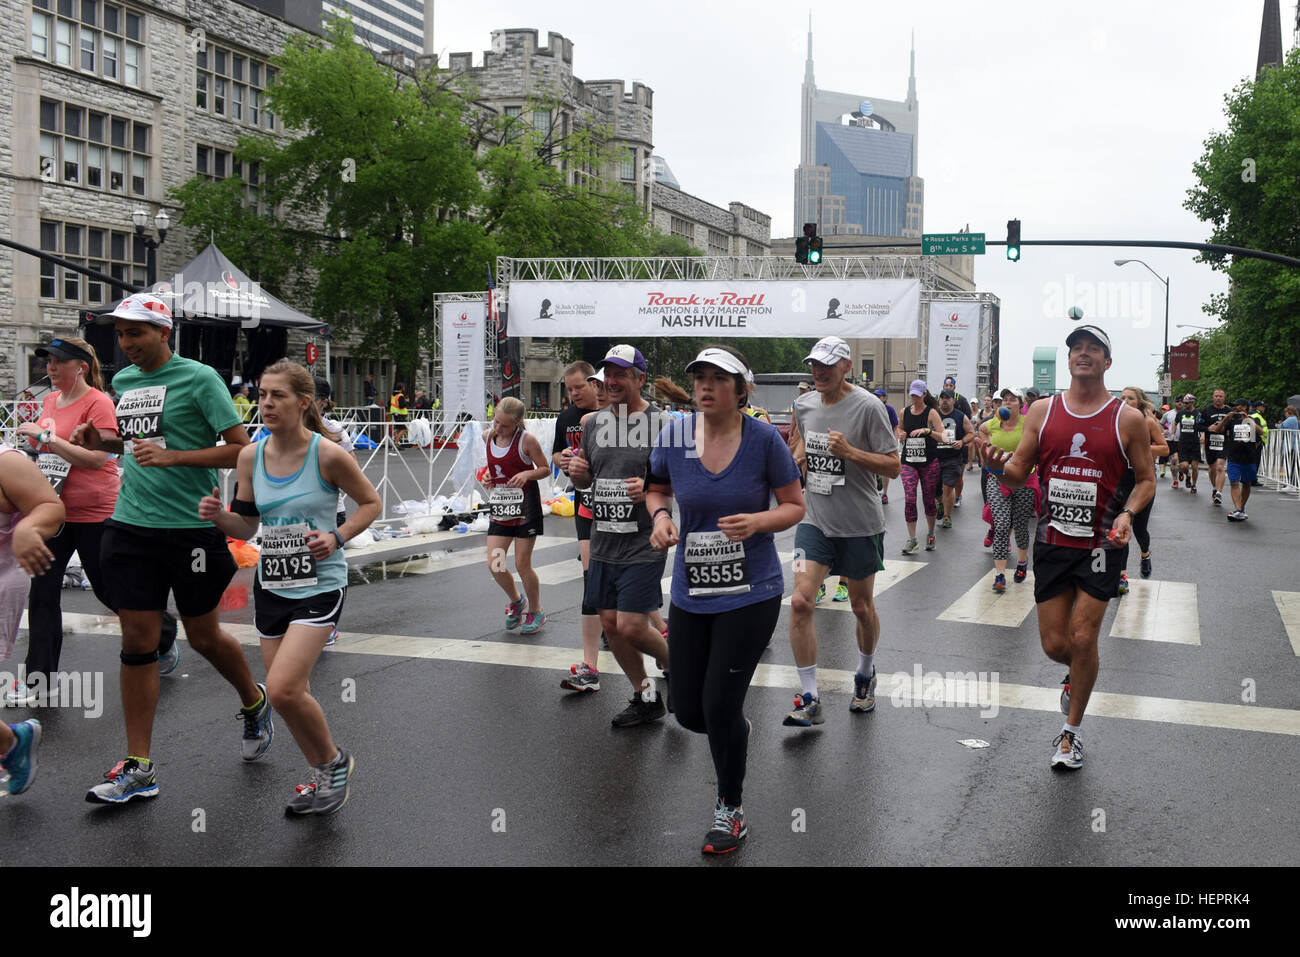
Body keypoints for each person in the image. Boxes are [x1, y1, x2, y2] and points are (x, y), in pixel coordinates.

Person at [73, 293, 268, 804]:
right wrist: (103, 443)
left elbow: (240, 448)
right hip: (131, 523)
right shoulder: (123, 381)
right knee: (138, 638)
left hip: (190, 528)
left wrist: (176, 456)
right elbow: (141, 447)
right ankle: (139, 766)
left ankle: (253, 702)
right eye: (119, 333)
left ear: (164, 332)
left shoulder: (200, 379)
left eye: (135, 332)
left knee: (204, 636)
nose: (126, 343)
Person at [200, 360, 381, 815]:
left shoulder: (329, 455)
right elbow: (247, 522)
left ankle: (336, 763)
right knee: (288, 695)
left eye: (277, 395)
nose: (265, 403)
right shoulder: (249, 456)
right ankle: (324, 772)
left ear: (303, 403)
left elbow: (371, 503)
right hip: (273, 583)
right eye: (261, 394)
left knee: (280, 689)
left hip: (321, 583)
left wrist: (336, 536)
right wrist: (219, 516)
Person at [646, 345, 804, 854]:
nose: (706, 387)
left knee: (718, 703)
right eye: (700, 378)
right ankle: (733, 724)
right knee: (689, 711)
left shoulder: (762, 440)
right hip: (693, 590)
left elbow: (795, 505)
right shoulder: (674, 436)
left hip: (751, 591)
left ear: (741, 389)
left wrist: (758, 522)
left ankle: (729, 810)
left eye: (719, 378)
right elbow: (656, 487)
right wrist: (661, 518)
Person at [981, 325, 1154, 771]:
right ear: (1069, 359)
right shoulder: (1042, 411)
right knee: (1056, 644)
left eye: (1093, 349)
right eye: (1076, 348)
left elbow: (1147, 479)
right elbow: (1020, 471)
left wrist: (1128, 515)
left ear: (1107, 362)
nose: (1083, 354)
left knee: (1082, 637)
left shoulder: (1127, 419)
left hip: (1102, 544)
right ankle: (1075, 674)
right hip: (1052, 541)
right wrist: (997, 469)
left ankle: (1070, 734)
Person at [8, 337, 180, 708]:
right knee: (42, 593)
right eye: (48, 362)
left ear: (80, 367)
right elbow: (45, 449)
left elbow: (95, 459)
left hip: (96, 511)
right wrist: (30, 449)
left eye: (57, 363)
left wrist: (47, 437)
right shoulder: (49, 401)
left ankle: (163, 634)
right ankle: (39, 679)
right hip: (53, 509)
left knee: (108, 590)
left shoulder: (98, 402)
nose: (50, 369)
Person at [783, 336, 899, 726]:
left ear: (847, 366)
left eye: (827, 365)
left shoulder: (869, 407)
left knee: (861, 607)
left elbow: (893, 466)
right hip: (815, 521)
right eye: (814, 364)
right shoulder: (804, 404)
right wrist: (793, 459)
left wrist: (850, 453)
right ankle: (810, 696)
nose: (818, 372)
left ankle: (865, 673)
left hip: (860, 524)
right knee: (800, 602)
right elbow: (801, 449)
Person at [568, 346, 671, 726]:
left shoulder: (664, 424)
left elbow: (682, 482)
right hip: (603, 539)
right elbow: (589, 479)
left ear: (640, 379)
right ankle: (645, 696)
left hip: (644, 541)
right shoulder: (593, 423)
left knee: (630, 625)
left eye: (621, 374)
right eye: (608, 373)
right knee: (611, 625)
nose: (611, 380)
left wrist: (647, 490)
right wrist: (578, 472)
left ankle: (676, 665)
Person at [0, 443, 65, 795]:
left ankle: (13, 743)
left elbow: (51, 507)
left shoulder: (7, 462)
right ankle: (13, 741)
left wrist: (28, 529)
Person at [552, 362, 604, 691]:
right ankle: (589, 667)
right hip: (586, 503)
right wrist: (564, 460)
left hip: (624, 513)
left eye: (578, 388)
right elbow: (556, 454)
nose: (573, 395)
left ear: (594, 385)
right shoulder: (567, 418)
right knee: (591, 577)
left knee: (627, 589)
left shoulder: (620, 416)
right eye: (569, 390)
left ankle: (660, 640)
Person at [483, 397, 550, 635]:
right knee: (496, 563)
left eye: (504, 425)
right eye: (496, 422)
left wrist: (527, 474)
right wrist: (486, 477)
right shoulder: (487, 436)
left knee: (522, 564)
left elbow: (545, 468)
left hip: (525, 508)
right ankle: (516, 599)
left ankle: (536, 610)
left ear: (517, 424)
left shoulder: (526, 441)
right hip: (501, 508)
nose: (498, 428)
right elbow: (490, 469)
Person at [978, 386, 1035, 592]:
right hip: (998, 479)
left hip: (1025, 478)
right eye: (1004, 400)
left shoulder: (1028, 423)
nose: (1007, 403)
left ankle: (1021, 563)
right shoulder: (990, 425)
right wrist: (985, 451)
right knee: (1001, 525)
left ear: (1020, 403)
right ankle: (1000, 575)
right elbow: (983, 445)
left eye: (1012, 399)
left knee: (1020, 526)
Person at [1118, 387, 1169, 590]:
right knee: (1122, 525)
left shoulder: (1148, 422)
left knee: (1139, 528)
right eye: (1122, 398)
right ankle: (1122, 575)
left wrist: (1140, 450)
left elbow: (1164, 448)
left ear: (1139, 402)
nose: (1125, 401)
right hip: (1122, 480)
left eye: (1130, 398)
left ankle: (1145, 553)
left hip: (1143, 481)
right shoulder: (1116, 423)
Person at [897, 379, 944, 554]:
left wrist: (928, 431)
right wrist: (900, 435)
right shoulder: (904, 412)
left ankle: (931, 534)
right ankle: (912, 539)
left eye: (917, 395)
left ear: (924, 394)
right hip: (909, 462)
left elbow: (944, 437)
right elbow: (899, 429)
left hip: (929, 463)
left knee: (928, 500)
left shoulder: (931, 413)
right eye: (912, 395)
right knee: (910, 499)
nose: (914, 398)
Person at [1211, 398, 1262, 521]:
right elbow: (1217, 430)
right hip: (1234, 456)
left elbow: (1260, 432)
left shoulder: (1252, 419)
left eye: (1237, 406)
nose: (1235, 408)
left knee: (1246, 484)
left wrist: (1248, 420)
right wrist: (1225, 419)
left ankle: (1241, 508)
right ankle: (1238, 510)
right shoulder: (1231, 420)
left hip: (1249, 457)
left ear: (1244, 407)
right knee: (1234, 482)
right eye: (1234, 406)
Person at [936, 389, 972, 530]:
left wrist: (962, 442)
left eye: (948, 398)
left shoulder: (960, 416)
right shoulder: (933, 415)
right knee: (935, 490)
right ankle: (941, 503)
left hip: (952, 458)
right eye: (942, 398)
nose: (944, 400)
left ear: (953, 400)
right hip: (934, 458)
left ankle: (946, 516)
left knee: (948, 487)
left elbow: (971, 433)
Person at [1199, 389, 1232, 507]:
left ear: (1224, 398)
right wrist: (1207, 429)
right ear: (1213, 397)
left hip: (1224, 443)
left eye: (1221, 396)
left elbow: (1234, 425)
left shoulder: (1229, 411)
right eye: (1216, 396)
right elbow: (1198, 426)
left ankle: (1219, 492)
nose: (1218, 398)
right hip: (1210, 443)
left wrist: (1229, 431)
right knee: (1212, 468)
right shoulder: (1206, 411)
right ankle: (1214, 487)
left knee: (1220, 466)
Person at [872, 388, 899, 504]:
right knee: (872, 465)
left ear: (884, 398)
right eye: (875, 396)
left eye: (879, 396)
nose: (876, 398)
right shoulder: (870, 408)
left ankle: (885, 493)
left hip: (886, 442)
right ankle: (876, 479)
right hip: (873, 440)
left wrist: (895, 441)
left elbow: (895, 427)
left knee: (886, 468)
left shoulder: (890, 410)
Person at [1174, 394, 1201, 492]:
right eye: (1184, 402)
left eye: (1186, 403)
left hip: (1194, 443)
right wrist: (1173, 433)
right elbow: (1175, 422)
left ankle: (1194, 485)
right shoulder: (1180, 413)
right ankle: (1187, 475)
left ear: (1192, 403)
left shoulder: (1197, 413)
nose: (1184, 404)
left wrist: (1203, 435)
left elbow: (1201, 425)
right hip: (1183, 443)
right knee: (1184, 466)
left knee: (1194, 466)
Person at [1161, 399, 1181, 485]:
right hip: (1171, 440)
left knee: (1182, 462)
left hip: (1184, 440)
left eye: (1181, 401)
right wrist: (1164, 430)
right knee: (1174, 460)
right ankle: (1175, 481)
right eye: (1177, 401)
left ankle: (1181, 471)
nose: (1180, 403)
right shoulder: (1168, 414)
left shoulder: (1187, 413)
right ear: (1174, 403)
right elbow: (1160, 423)